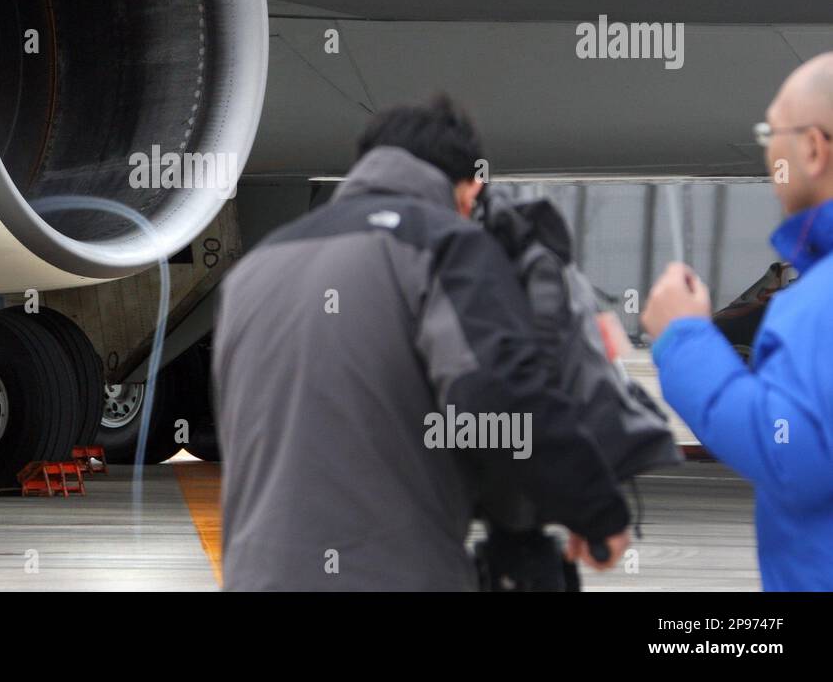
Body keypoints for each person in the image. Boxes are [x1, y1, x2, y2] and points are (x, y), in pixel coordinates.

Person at [212, 95, 630, 591]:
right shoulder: (444, 247)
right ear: (469, 188)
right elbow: (494, 400)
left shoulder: (256, 268)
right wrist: (593, 506)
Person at [643, 53, 833, 591]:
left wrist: (683, 340)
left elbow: (788, 455)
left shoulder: (817, 303)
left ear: (814, 148)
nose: (767, 148)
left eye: (770, 131)